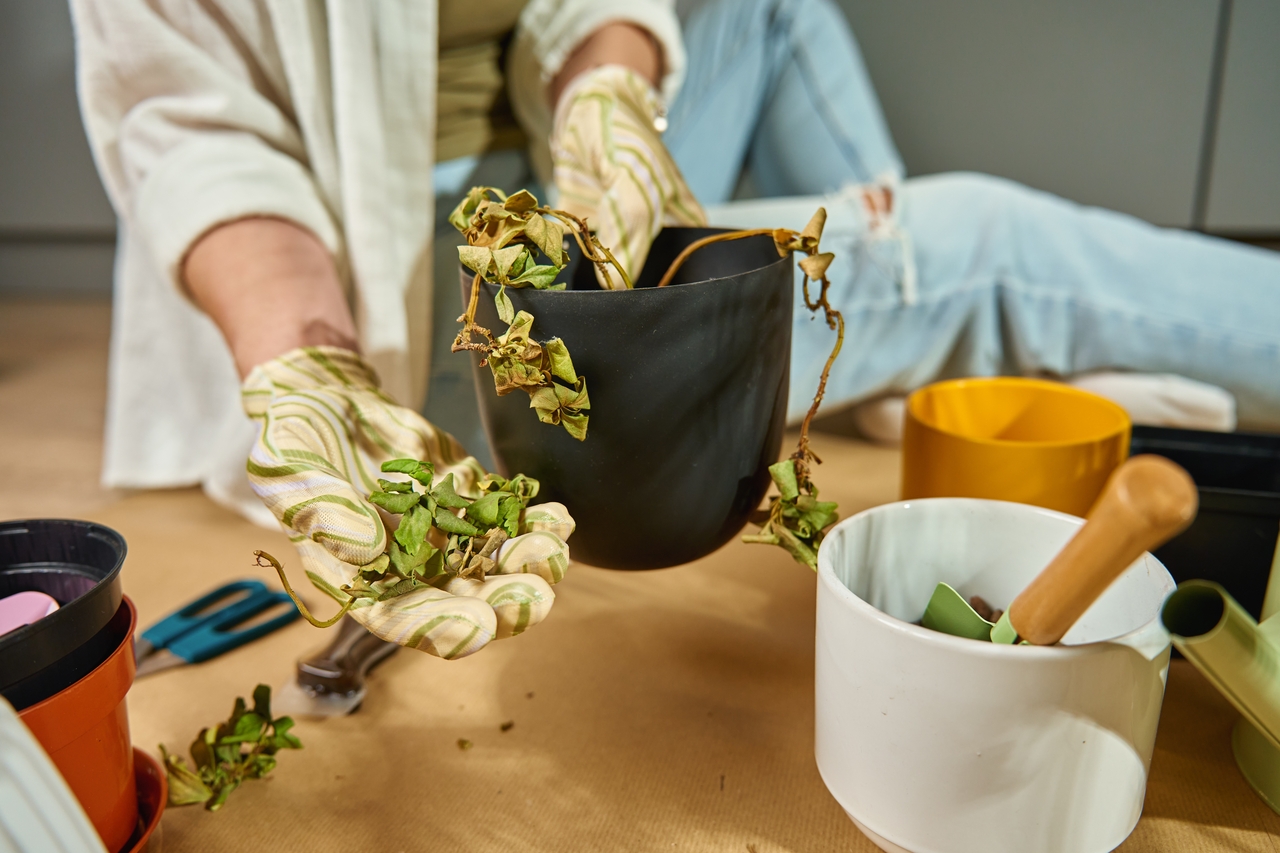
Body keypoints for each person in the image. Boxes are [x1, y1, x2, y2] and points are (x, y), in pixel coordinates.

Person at [70, 0, 1280, 651]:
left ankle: (889, 324)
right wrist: (310, 360)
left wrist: (606, 84)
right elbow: (188, 128)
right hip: (444, 304)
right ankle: (916, 297)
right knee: (988, 246)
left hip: (564, 164)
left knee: (770, 4)